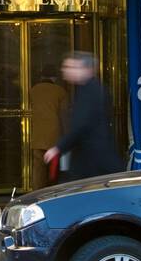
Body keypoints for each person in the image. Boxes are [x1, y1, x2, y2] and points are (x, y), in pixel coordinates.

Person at [43, 52, 122, 180]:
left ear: (86, 69)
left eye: (70, 67)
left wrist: (58, 148)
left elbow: (81, 125)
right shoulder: (88, 89)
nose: (65, 70)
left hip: (93, 161)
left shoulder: (90, 91)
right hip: (90, 160)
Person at [29, 64, 68, 187]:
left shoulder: (33, 90)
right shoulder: (60, 91)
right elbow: (64, 114)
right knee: (53, 169)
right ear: (55, 78)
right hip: (54, 135)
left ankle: (36, 193)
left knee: (38, 168)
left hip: (37, 134)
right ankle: (52, 193)